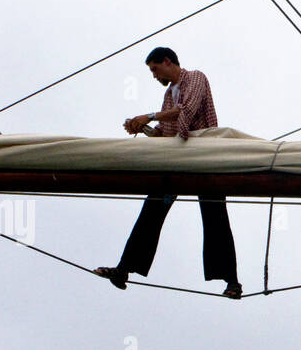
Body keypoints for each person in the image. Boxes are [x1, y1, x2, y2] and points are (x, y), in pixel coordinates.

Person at [94, 48, 241, 299]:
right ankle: (124, 269)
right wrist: (145, 128)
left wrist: (148, 116)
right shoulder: (167, 96)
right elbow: (167, 132)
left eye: (154, 69)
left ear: (167, 61)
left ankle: (232, 282)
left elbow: (188, 110)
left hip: (204, 157)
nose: (154, 75)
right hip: (179, 159)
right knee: (152, 209)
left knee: (214, 216)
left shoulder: (195, 77)